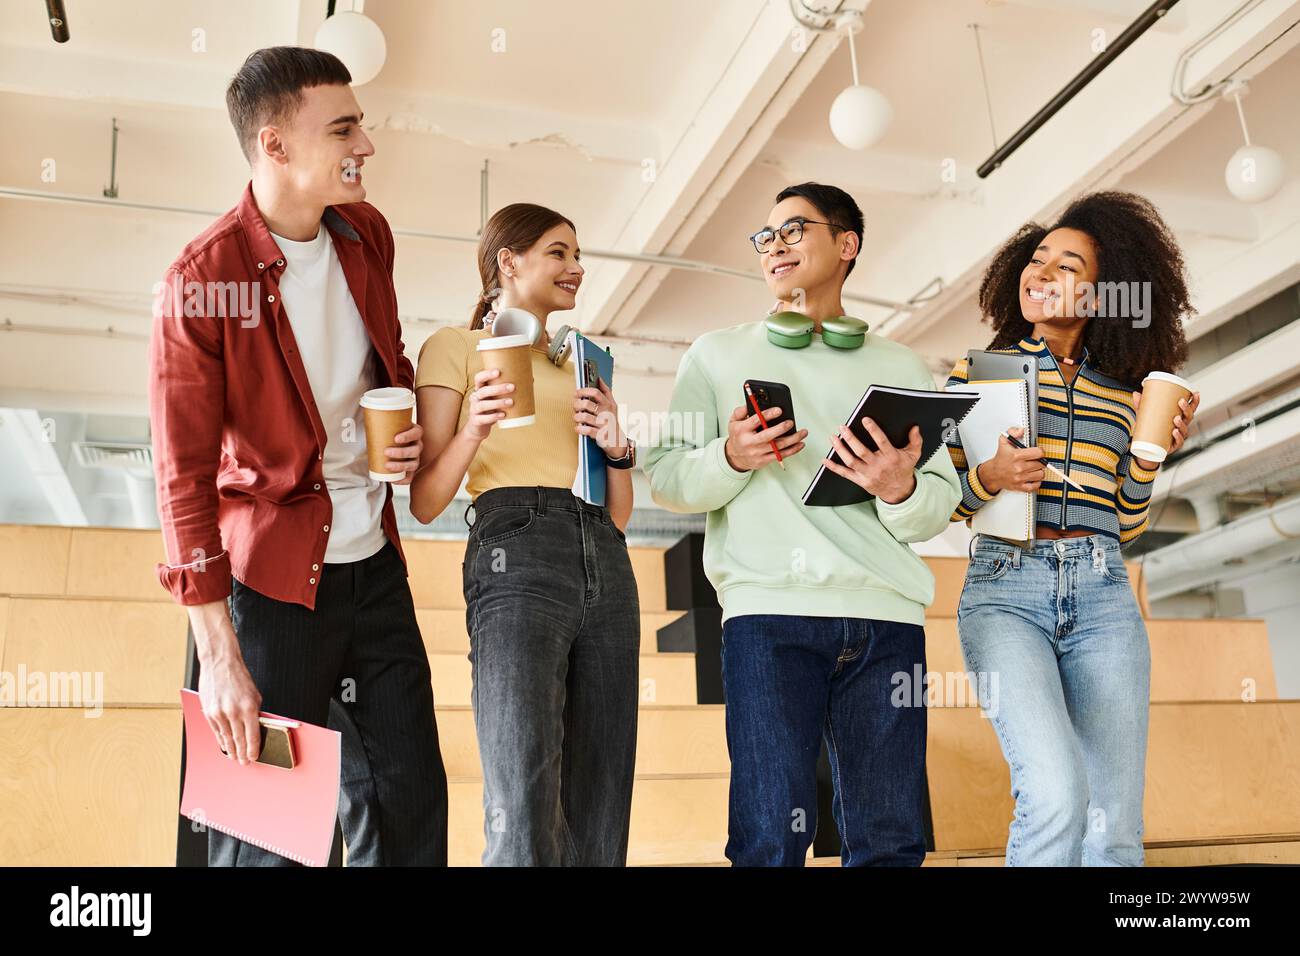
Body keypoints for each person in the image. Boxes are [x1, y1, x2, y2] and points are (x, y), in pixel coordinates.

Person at [149, 46, 448, 866]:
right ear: (274, 144)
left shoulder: (367, 236)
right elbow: (180, 480)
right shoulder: (204, 279)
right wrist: (220, 656)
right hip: (271, 588)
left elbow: (386, 366)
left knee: (412, 806)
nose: (368, 146)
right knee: (267, 832)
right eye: (344, 128)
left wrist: (409, 428)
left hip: (375, 570)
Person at [643, 182, 961, 866]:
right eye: (766, 236)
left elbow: (936, 506)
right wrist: (732, 455)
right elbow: (666, 478)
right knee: (769, 835)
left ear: (846, 246)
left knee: (891, 836)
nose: (774, 246)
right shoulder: (716, 355)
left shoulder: (902, 366)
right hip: (767, 617)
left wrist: (899, 487)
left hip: (887, 618)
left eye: (795, 230)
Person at [944, 190, 1200, 866]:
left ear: (1103, 295)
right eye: (1037, 259)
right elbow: (938, 498)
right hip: (1005, 590)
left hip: (1104, 592)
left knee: (1113, 824)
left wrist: (1149, 456)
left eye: (1068, 266)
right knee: (1057, 791)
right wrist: (988, 479)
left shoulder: (1126, 392)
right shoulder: (978, 374)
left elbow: (1127, 523)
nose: (1042, 271)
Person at [409, 203, 641, 866]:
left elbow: (617, 514)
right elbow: (425, 499)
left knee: (600, 809)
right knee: (523, 798)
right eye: (559, 252)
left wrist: (617, 445)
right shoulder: (456, 348)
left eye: (577, 254)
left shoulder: (582, 367)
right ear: (507, 262)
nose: (577, 267)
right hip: (515, 548)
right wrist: (474, 428)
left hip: (602, 553)